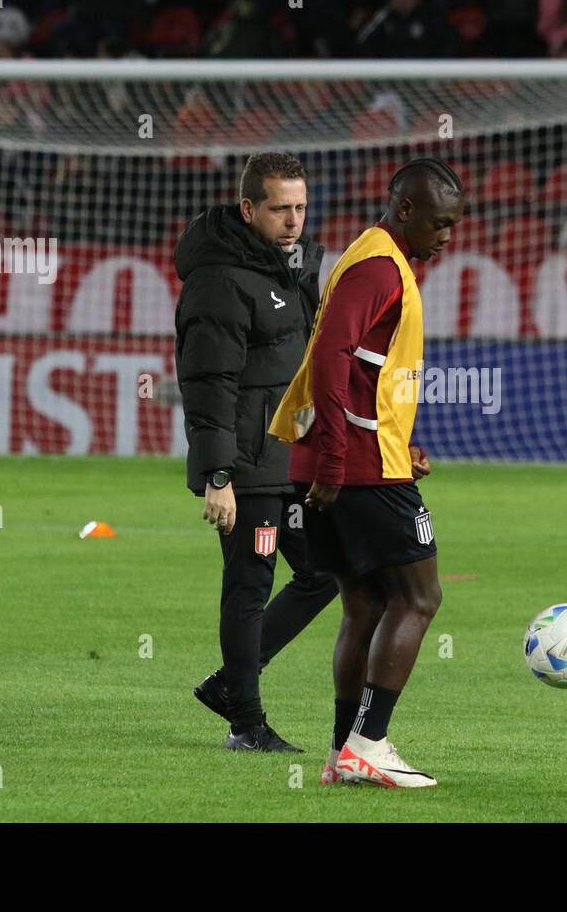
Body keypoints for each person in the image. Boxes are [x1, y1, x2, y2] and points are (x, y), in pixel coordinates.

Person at [269, 158, 464, 788]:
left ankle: (342, 751)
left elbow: (365, 372)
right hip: (352, 468)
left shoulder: (379, 259)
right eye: (439, 222)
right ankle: (369, 743)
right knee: (419, 596)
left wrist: (402, 443)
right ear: (405, 209)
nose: (447, 236)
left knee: (365, 604)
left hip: (353, 459)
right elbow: (329, 354)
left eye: (454, 225)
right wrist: (334, 457)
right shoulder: (380, 266)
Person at [174, 152, 339, 753]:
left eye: (300, 207)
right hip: (247, 466)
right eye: (279, 209)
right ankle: (245, 721)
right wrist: (218, 474)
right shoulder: (219, 281)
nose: (293, 220)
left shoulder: (291, 269)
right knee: (250, 583)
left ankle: (229, 684)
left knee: (323, 573)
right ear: (248, 209)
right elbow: (208, 383)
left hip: (290, 460)